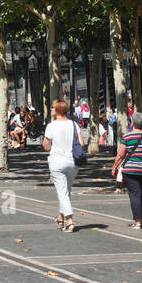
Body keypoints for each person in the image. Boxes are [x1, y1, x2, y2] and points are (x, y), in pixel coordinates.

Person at [112, 112, 142, 228]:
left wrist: (115, 167)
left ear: (132, 123)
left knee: (134, 194)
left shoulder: (127, 137)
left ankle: (137, 220)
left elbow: (120, 155)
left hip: (131, 171)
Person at [42, 99, 83, 233]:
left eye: (53, 107)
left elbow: (46, 146)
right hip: (72, 162)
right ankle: (60, 217)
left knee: (62, 192)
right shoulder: (73, 124)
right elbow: (81, 144)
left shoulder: (51, 126)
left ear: (58, 110)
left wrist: (49, 144)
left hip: (57, 162)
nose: (51, 109)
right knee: (66, 191)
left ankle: (70, 221)